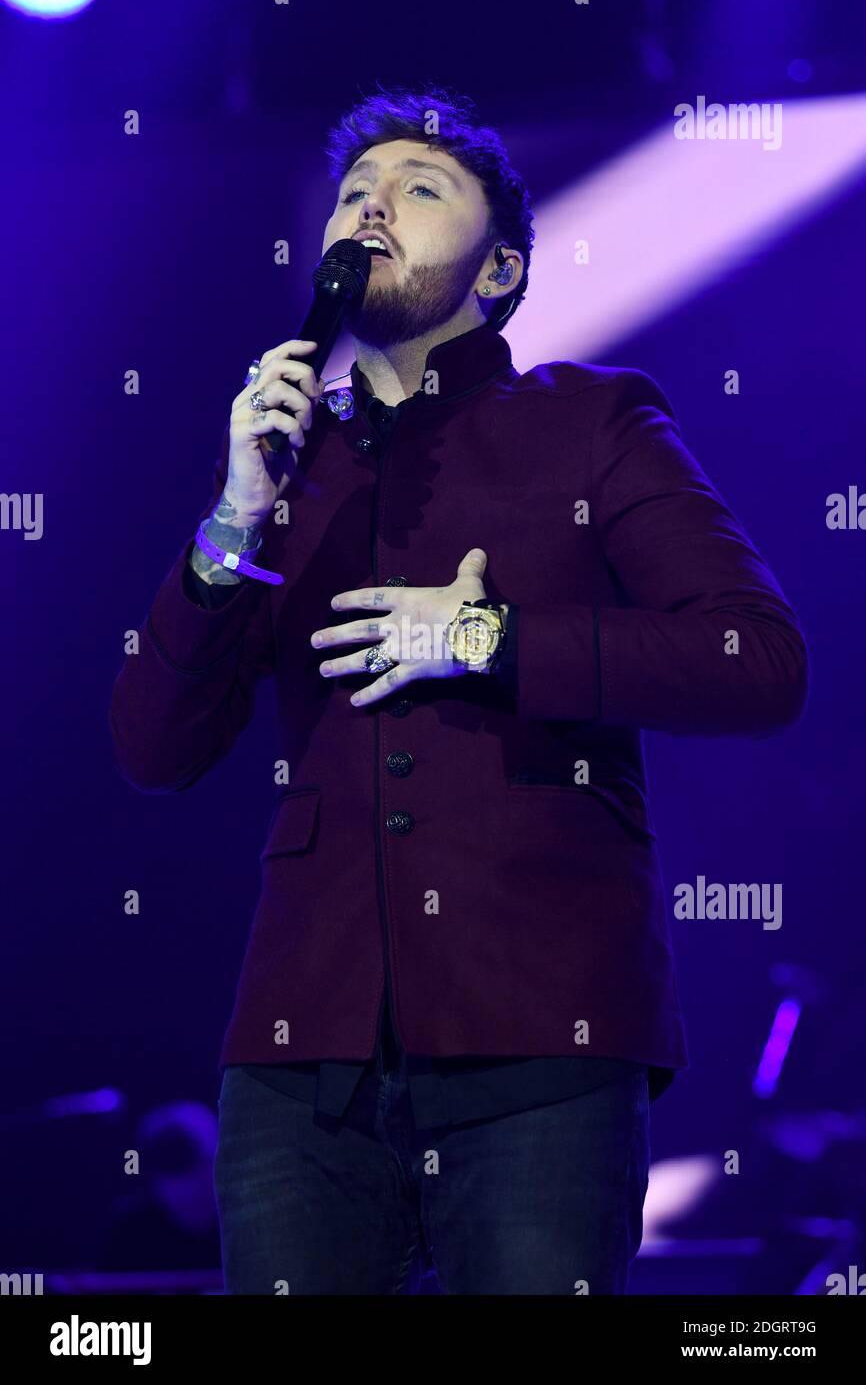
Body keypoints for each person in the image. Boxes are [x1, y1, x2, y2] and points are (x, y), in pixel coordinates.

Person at [109, 84, 808, 1295]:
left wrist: (487, 636)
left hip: (541, 1041)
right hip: (298, 1061)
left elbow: (755, 659)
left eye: (417, 190)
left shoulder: (591, 422)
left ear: (498, 271)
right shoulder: (286, 464)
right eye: (350, 195)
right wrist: (229, 523)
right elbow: (150, 746)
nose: (369, 210)